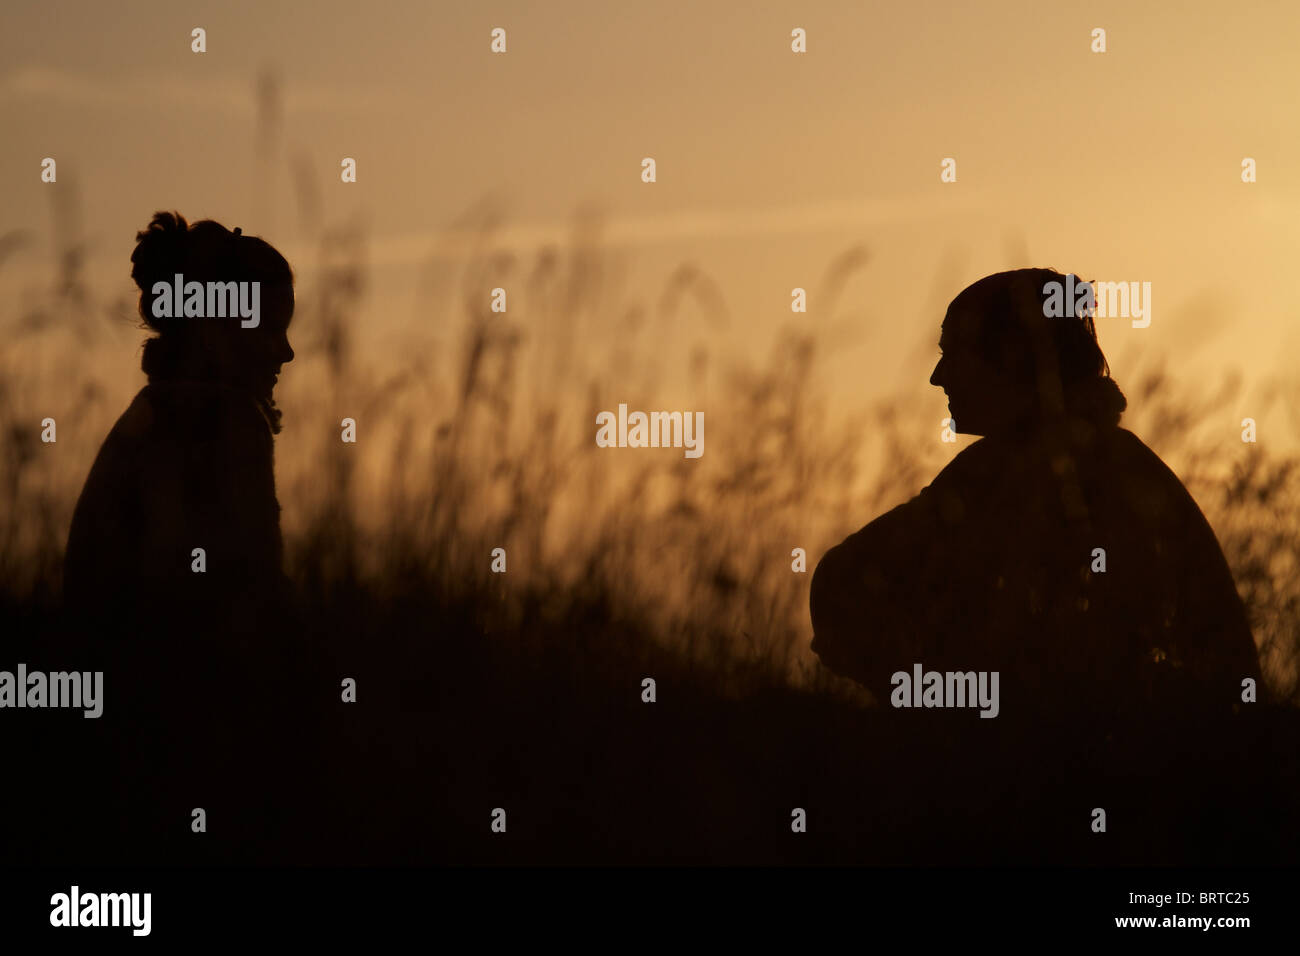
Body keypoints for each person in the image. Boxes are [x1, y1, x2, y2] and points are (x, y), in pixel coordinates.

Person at [810, 268, 1260, 728]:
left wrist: (941, 710)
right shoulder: (1077, 462)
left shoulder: (1039, 471)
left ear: (1011, 357)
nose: (937, 376)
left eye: (953, 352)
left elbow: (843, 587)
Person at [62, 211, 302, 862]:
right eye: (272, 331)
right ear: (223, 328)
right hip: (168, 750)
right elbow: (242, 611)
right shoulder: (217, 421)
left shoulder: (158, 414)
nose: (286, 353)